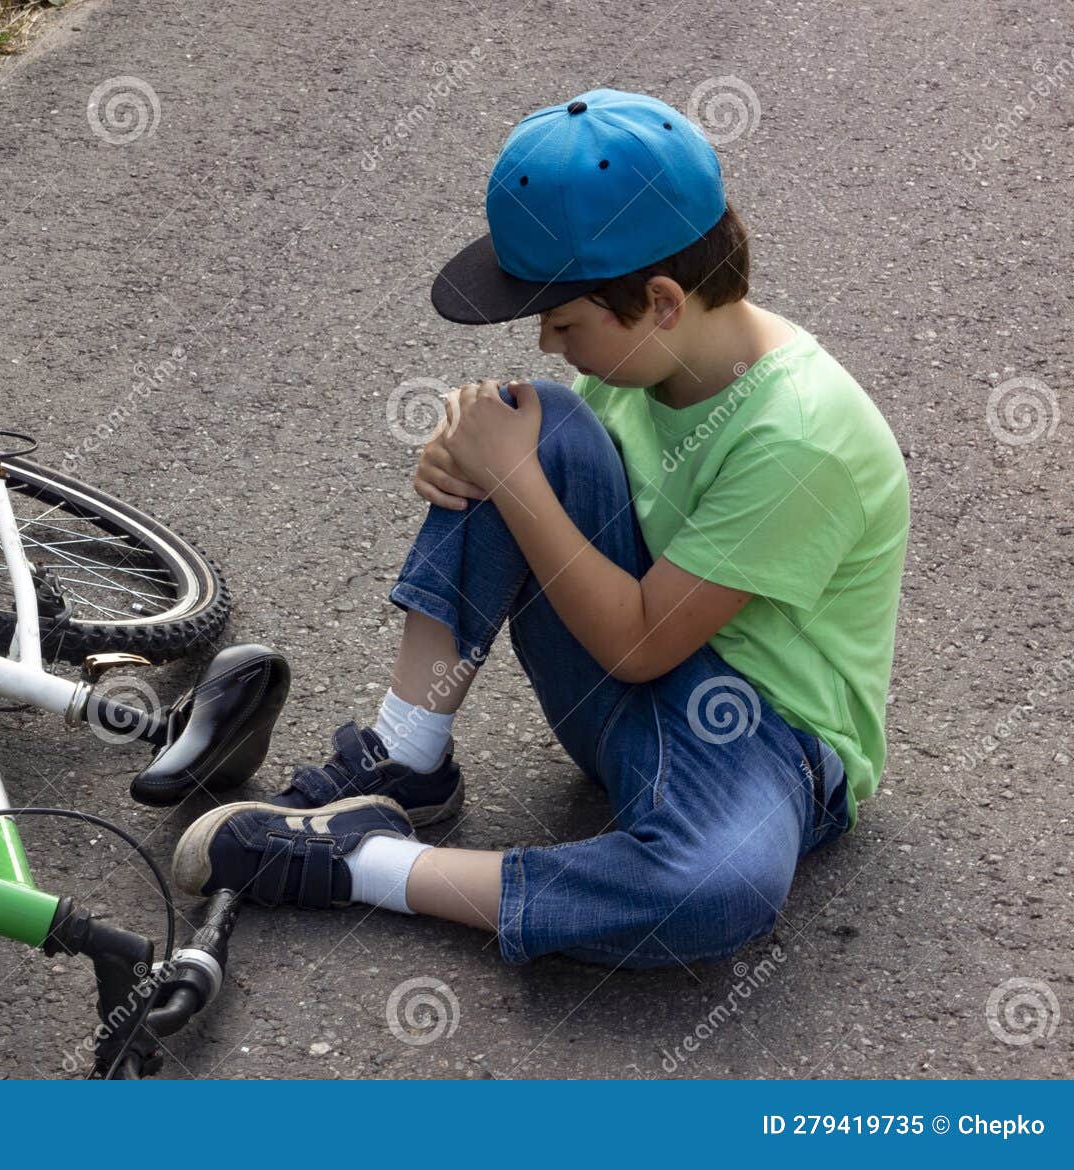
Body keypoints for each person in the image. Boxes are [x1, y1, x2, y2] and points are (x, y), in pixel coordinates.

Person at [171, 88, 910, 969]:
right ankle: (405, 759)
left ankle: (370, 865)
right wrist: (468, 462)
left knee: (722, 892)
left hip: (761, 749)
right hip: (621, 699)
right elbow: (548, 488)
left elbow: (642, 648)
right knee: (539, 418)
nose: (550, 344)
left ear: (664, 301)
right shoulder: (640, 361)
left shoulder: (801, 438)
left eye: (564, 322)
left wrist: (511, 477)